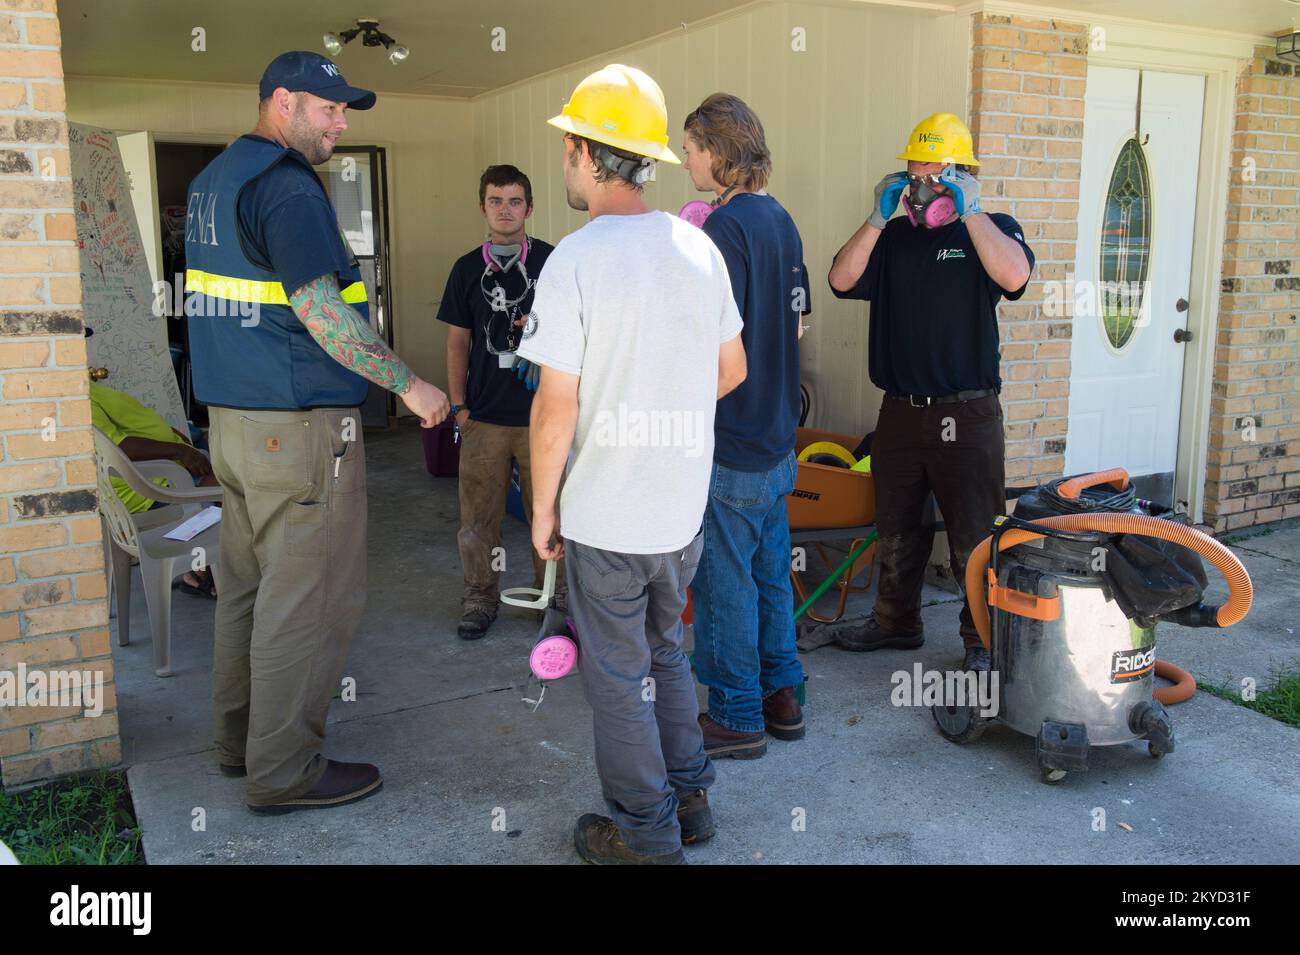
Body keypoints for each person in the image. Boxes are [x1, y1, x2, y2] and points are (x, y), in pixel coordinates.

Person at [184, 51, 449, 814]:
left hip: (232, 426)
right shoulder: (288, 189)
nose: (340, 124)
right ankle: (285, 770)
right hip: (296, 431)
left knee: (248, 590)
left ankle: (240, 746)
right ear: (284, 103)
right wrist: (410, 384)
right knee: (309, 600)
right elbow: (324, 314)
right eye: (329, 110)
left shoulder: (213, 183)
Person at [518, 64, 747, 865]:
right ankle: (691, 803)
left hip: (607, 518)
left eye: (568, 152)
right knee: (663, 658)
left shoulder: (576, 259)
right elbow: (731, 370)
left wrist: (543, 510)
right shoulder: (699, 248)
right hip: (678, 514)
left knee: (618, 679)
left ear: (584, 152)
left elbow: (554, 410)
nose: (567, 166)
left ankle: (646, 836)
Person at [826, 112, 1034, 672]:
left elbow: (1014, 277)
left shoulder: (993, 228)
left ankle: (982, 641)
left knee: (975, 538)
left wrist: (969, 213)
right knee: (896, 528)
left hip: (966, 415)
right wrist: (876, 217)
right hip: (899, 411)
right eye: (915, 169)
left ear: (962, 173)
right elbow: (841, 281)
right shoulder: (892, 239)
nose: (923, 182)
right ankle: (896, 622)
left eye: (936, 170)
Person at [680, 93, 810, 760]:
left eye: (692, 150)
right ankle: (781, 693)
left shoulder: (719, 232)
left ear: (720, 154)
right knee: (767, 571)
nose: (685, 160)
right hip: (777, 440)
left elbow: (705, 339)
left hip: (729, 439)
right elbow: (797, 323)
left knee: (723, 581)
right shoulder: (781, 222)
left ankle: (734, 713)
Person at [437, 165, 563, 641]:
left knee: (548, 514)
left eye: (514, 201)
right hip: (484, 419)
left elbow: (578, 329)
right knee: (478, 519)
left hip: (542, 418)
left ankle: (553, 598)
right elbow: (457, 344)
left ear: (529, 208)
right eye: (496, 201)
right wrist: (459, 407)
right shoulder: (467, 269)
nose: (505, 210)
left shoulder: (554, 262)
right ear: (483, 206)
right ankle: (480, 597)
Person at [89, 372, 218, 597]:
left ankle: (202, 569)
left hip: (162, 474)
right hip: (148, 488)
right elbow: (118, 446)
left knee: (219, 463)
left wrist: (174, 438)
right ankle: (208, 572)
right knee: (232, 481)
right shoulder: (83, 397)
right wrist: (179, 450)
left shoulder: (88, 388)